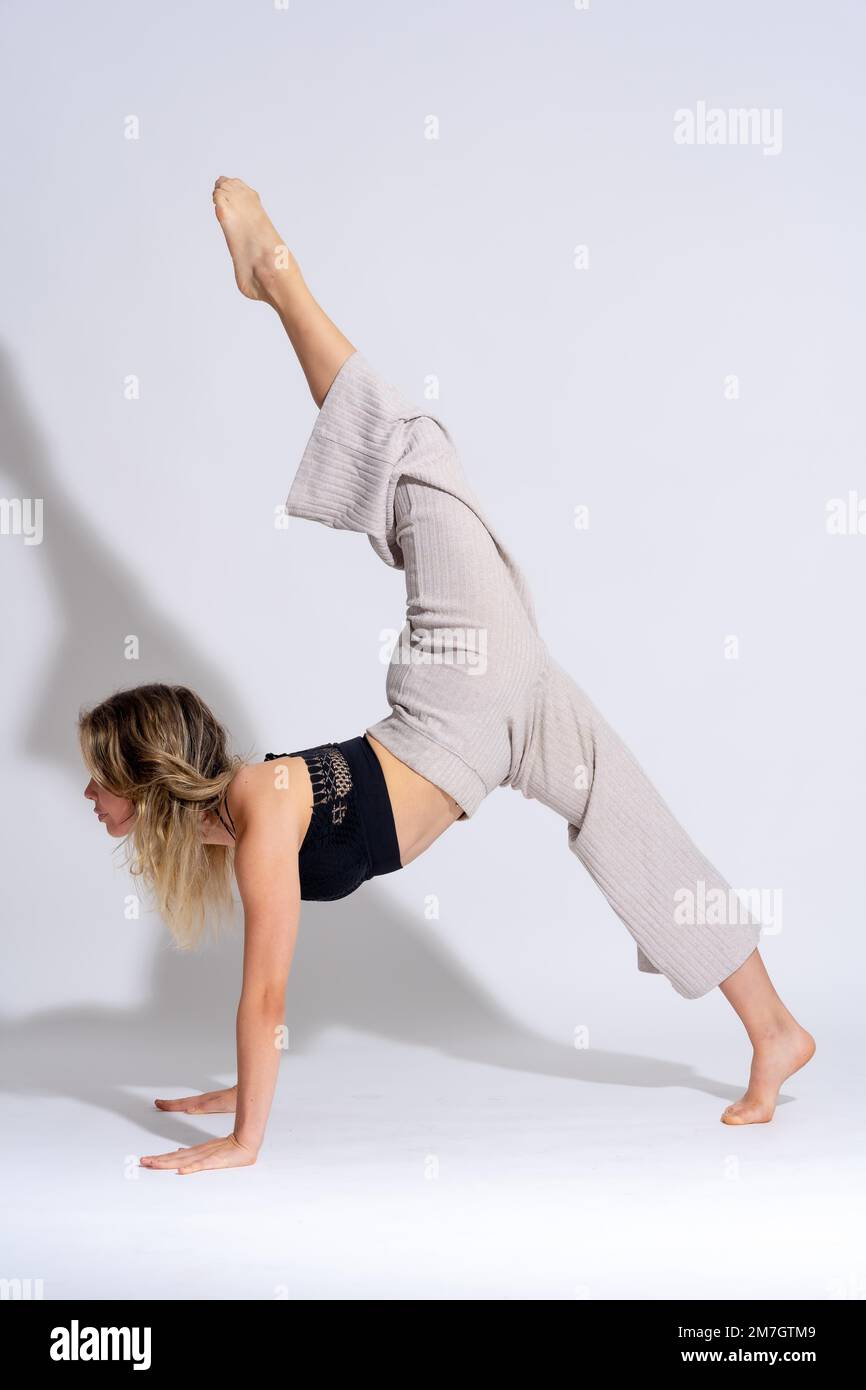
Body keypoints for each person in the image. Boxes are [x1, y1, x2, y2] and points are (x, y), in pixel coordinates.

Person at [79, 178, 815, 1174]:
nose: (86, 791)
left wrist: (242, 1137)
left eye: (97, 774)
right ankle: (773, 1029)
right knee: (632, 826)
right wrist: (238, 1086)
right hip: (488, 727)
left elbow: (265, 997)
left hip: (457, 691)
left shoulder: (254, 806)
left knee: (413, 455)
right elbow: (262, 1001)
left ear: (148, 771)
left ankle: (278, 278)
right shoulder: (235, 822)